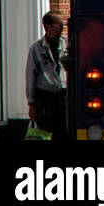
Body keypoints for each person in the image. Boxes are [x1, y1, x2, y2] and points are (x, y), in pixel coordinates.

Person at [26, 11, 69, 142]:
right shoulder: (37, 48)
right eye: (59, 26)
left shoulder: (67, 44)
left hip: (63, 96)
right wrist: (31, 103)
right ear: (48, 27)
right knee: (43, 132)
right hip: (44, 97)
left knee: (63, 132)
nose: (62, 29)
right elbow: (30, 75)